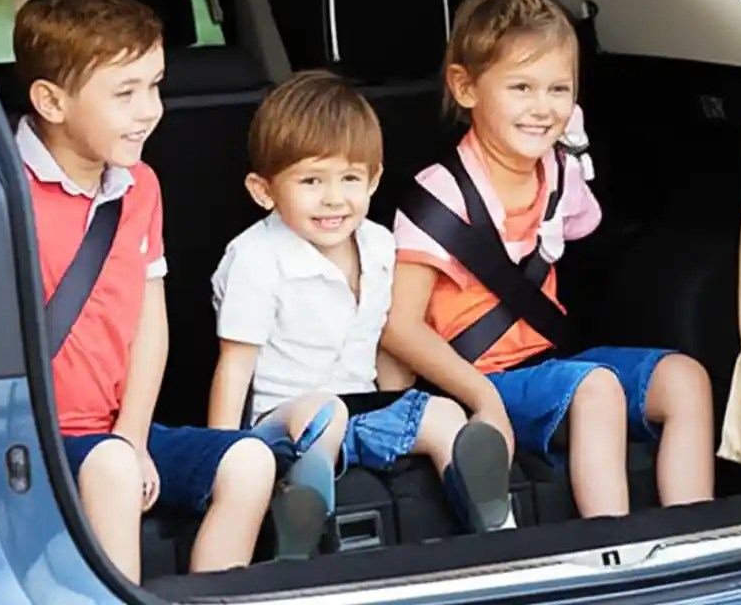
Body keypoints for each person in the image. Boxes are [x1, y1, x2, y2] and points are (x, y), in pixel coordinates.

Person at [382, 0, 716, 518]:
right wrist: (481, 397)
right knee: (598, 389)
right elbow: (399, 326)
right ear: (465, 88)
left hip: (549, 367)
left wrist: (575, 152)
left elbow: (589, 226)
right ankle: (616, 556)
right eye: (521, 88)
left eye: (559, 90)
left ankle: (697, 545)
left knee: (685, 380)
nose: (543, 109)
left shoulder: (558, 174)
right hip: (479, 383)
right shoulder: (441, 195)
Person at [13, 0, 275, 583]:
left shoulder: (140, 186)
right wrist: (118, 454)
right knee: (109, 466)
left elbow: (149, 325)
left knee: (249, 460)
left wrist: (133, 435)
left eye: (154, 85)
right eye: (125, 93)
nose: (148, 110)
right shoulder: (3, 191)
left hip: (115, 430)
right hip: (34, 444)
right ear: (52, 102)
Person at [207, 70, 516, 556]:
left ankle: (496, 526)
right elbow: (235, 366)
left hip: (362, 410)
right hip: (282, 421)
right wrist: (222, 456)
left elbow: (382, 347)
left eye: (350, 179)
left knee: (443, 415)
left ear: (373, 179)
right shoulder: (255, 256)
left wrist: (402, 410)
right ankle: (303, 515)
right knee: (322, 414)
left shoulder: (379, 244)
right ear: (263, 191)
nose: (334, 198)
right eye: (311, 181)